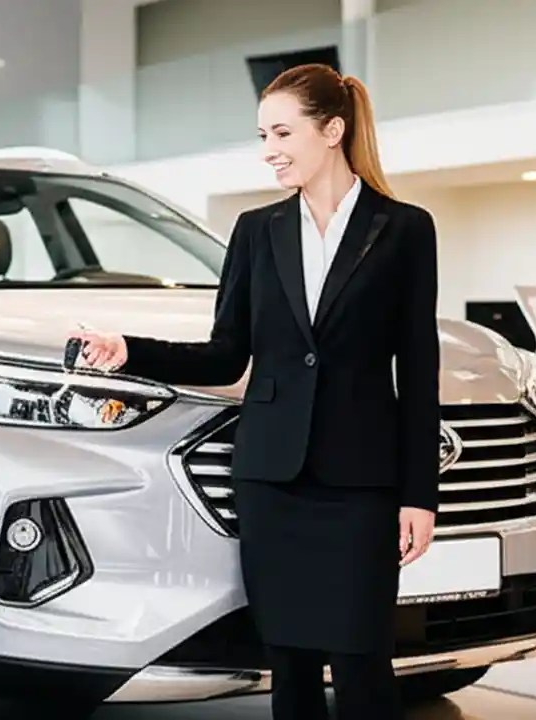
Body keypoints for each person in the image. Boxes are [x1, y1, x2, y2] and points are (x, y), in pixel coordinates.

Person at [74, 63, 440, 720]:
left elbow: (417, 370)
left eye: (281, 132)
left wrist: (419, 495)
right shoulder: (255, 231)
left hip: (361, 483)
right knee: (291, 665)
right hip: (272, 481)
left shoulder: (406, 230)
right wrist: (130, 350)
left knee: (363, 662)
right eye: (262, 135)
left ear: (332, 129)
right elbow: (226, 354)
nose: (268, 149)